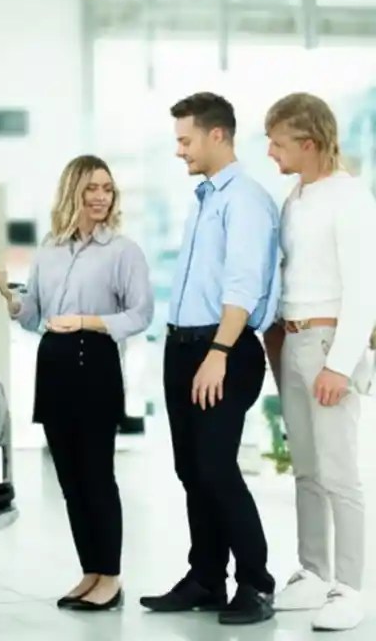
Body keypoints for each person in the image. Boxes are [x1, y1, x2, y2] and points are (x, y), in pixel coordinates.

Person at [0, 154, 153, 612]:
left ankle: (110, 578)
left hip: (94, 362)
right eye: (91, 188)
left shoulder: (123, 251)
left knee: (97, 477)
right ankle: (90, 571)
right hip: (54, 363)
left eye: (107, 189)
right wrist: (3, 290)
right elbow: (32, 313)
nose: (100, 197)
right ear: (72, 191)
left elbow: (141, 314)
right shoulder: (50, 248)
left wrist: (87, 321)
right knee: (70, 481)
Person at [140, 92, 280, 625]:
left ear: (217, 135)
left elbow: (242, 285)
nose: (179, 151)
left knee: (217, 468)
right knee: (191, 470)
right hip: (185, 346)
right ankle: (206, 577)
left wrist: (219, 351)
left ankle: (256, 583)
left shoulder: (243, 199)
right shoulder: (205, 199)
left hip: (221, 348)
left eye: (185, 139)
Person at [260, 92, 376, 632]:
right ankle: (312, 572)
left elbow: (365, 291)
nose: (270, 152)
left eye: (278, 142)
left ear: (308, 143)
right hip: (294, 339)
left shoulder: (351, 197)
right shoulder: (295, 198)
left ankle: (349, 588)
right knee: (304, 468)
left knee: (339, 473)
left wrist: (341, 364)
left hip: (331, 344)